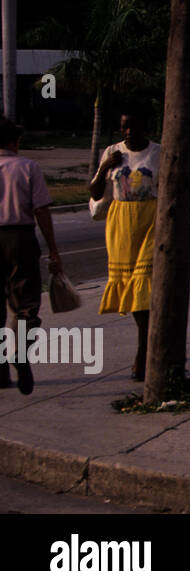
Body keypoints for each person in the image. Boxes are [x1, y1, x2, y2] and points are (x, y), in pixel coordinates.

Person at [90, 111, 158, 382]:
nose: (128, 132)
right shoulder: (111, 152)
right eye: (124, 127)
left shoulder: (158, 152)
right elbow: (95, 192)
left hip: (151, 221)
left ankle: (142, 353)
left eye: (133, 126)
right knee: (130, 286)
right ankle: (147, 345)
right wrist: (106, 165)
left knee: (143, 284)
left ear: (145, 126)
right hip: (120, 225)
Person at [0, 117, 62, 395]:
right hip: (20, 238)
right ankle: (19, 352)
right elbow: (41, 210)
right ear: (15, 141)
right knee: (26, 304)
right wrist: (52, 248)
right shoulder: (28, 167)